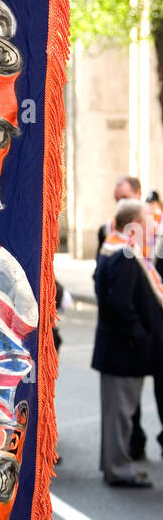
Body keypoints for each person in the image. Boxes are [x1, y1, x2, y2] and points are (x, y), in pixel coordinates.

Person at [92, 200, 163, 487]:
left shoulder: (116, 247)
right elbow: (121, 306)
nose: (151, 224)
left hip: (119, 350)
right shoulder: (124, 255)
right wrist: (142, 338)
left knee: (117, 414)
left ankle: (114, 465)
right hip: (124, 351)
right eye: (146, 219)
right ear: (133, 223)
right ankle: (119, 470)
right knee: (120, 414)